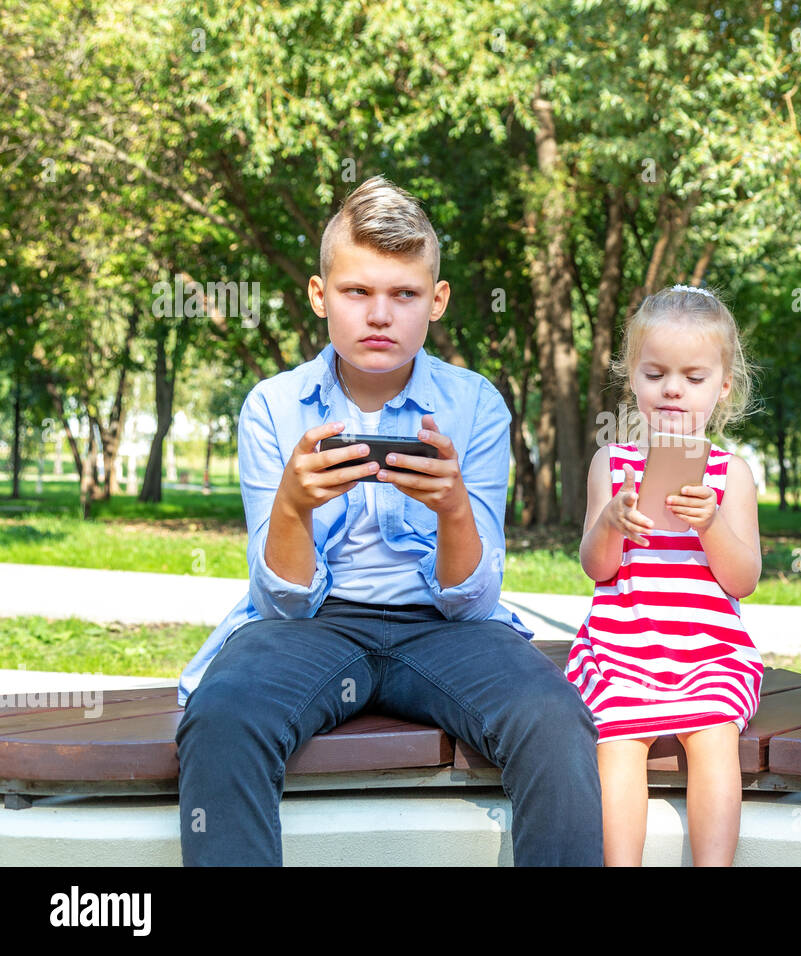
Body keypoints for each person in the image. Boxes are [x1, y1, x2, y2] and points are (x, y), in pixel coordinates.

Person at [175, 175, 602, 866]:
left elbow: (474, 601)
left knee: (554, 718)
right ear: (321, 297)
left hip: (443, 630)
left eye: (404, 294)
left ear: (435, 302)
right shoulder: (273, 406)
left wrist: (454, 508)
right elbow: (280, 602)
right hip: (311, 628)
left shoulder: (476, 405)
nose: (380, 315)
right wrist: (292, 505)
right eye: (357, 292)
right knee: (224, 717)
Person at [565, 285, 764, 866]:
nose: (672, 388)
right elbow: (596, 568)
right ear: (633, 379)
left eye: (693, 377)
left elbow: (743, 578)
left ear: (723, 386)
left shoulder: (733, 474)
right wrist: (611, 523)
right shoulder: (613, 462)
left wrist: (710, 526)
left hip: (709, 652)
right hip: (623, 647)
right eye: (656, 374)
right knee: (618, 741)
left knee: (715, 735)